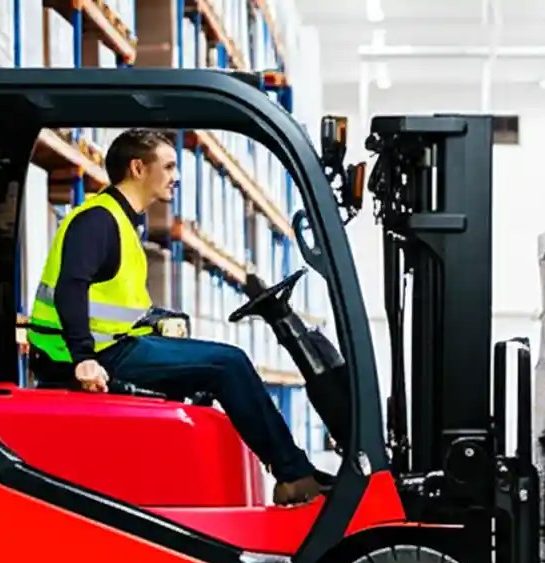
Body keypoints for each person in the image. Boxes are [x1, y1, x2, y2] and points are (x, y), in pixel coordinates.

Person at [26, 129, 328, 506]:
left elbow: (111, 300)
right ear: (138, 168)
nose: (177, 176)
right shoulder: (98, 220)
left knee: (202, 369)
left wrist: (155, 320)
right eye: (168, 166)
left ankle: (203, 492)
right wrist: (83, 357)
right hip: (91, 356)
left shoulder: (122, 219)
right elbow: (72, 285)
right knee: (228, 364)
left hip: (111, 345)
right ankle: (294, 476)